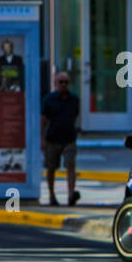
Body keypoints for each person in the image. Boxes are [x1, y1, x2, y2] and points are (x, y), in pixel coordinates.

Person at [40, 71, 80, 206]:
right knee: (51, 168)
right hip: (52, 138)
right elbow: (43, 120)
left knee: (70, 165)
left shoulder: (74, 99)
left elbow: (76, 116)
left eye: (66, 82)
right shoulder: (49, 99)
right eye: (61, 82)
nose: (63, 84)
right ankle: (52, 195)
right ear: (55, 83)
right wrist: (42, 139)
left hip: (69, 138)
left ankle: (70, 195)